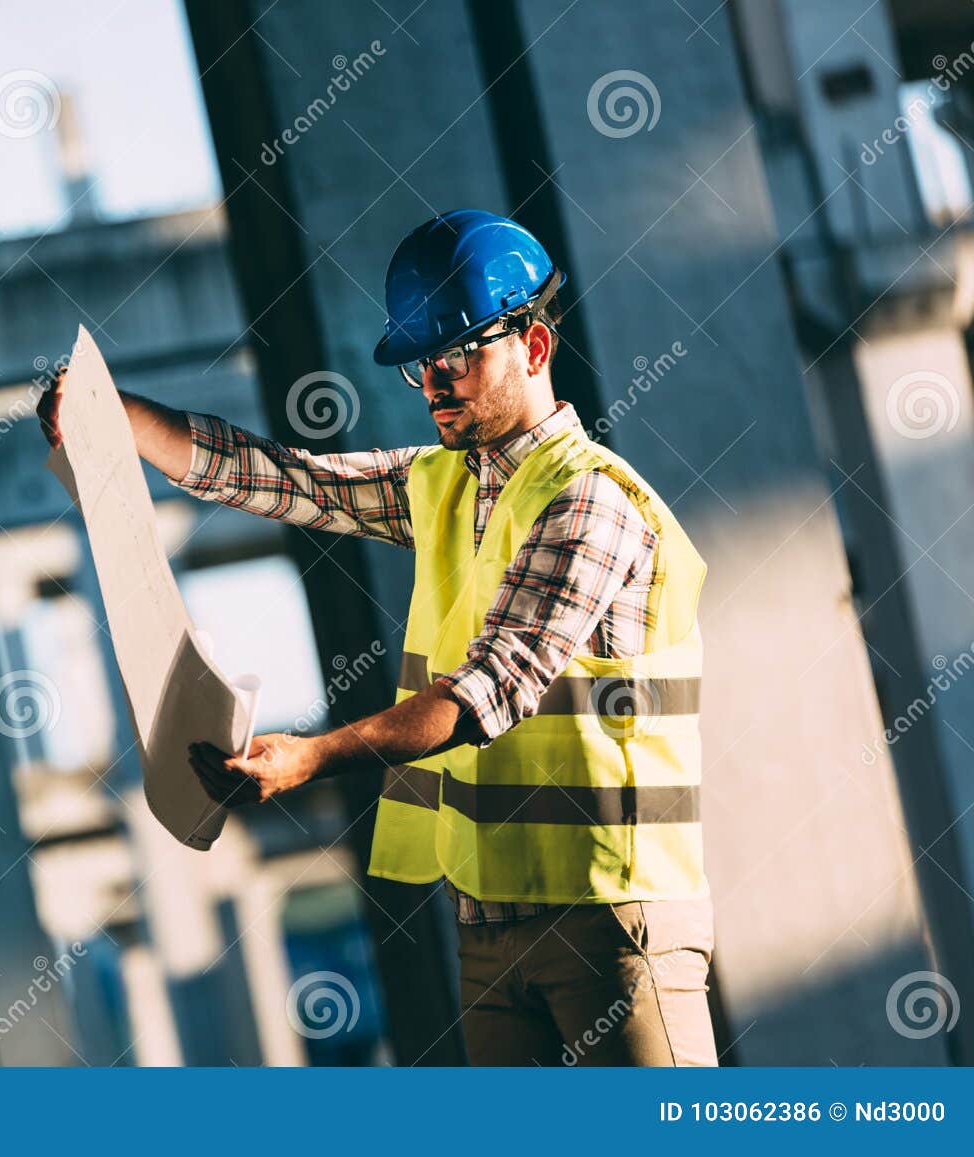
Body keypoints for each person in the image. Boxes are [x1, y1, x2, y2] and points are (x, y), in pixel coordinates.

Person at [38, 209, 716, 1067]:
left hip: (611, 919)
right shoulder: (446, 487)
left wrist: (311, 757)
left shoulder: (592, 503)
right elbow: (286, 480)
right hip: (488, 926)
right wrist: (114, 417)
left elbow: (491, 688)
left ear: (535, 347)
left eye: (457, 355)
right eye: (420, 363)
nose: (434, 382)